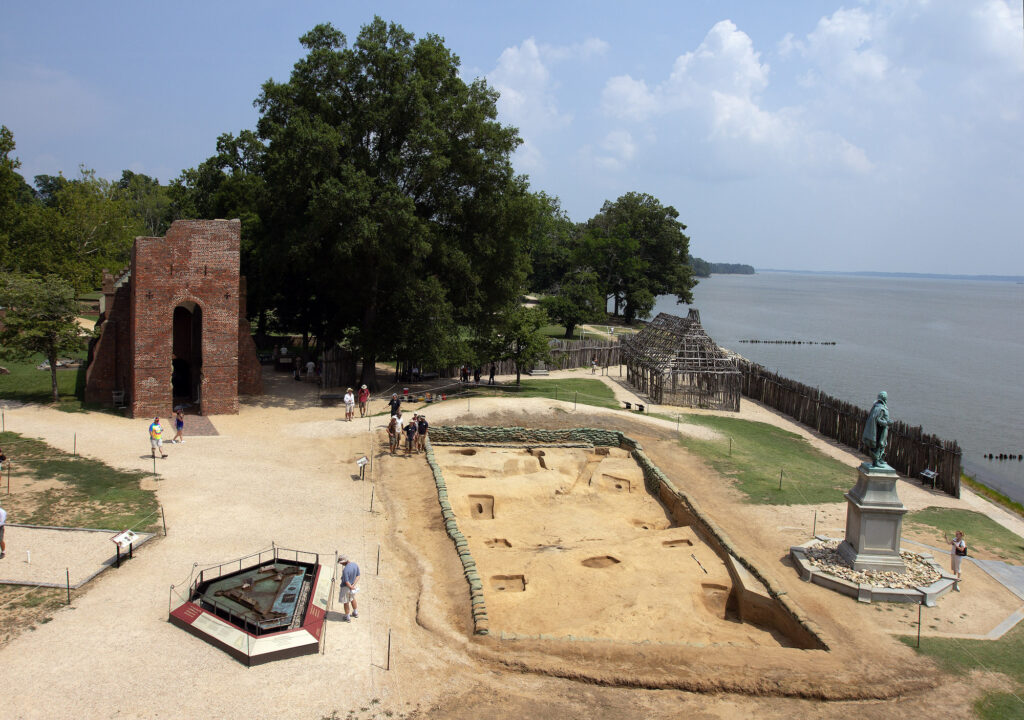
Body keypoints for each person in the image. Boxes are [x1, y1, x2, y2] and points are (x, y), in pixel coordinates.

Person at [862, 391, 892, 467]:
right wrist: (886, 423)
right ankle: (875, 461)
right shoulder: (880, 408)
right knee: (879, 444)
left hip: (883, 429)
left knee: (883, 444)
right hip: (879, 430)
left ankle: (880, 459)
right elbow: (877, 419)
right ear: (884, 398)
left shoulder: (880, 406)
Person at [337, 555, 361, 621]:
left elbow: (346, 581)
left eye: (341, 562)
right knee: (352, 599)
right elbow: (358, 576)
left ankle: (347, 617)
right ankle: (355, 612)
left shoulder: (345, 570)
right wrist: (353, 585)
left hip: (345, 587)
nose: (341, 564)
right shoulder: (355, 565)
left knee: (346, 602)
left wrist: (350, 586)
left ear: (344, 561)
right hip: (352, 586)